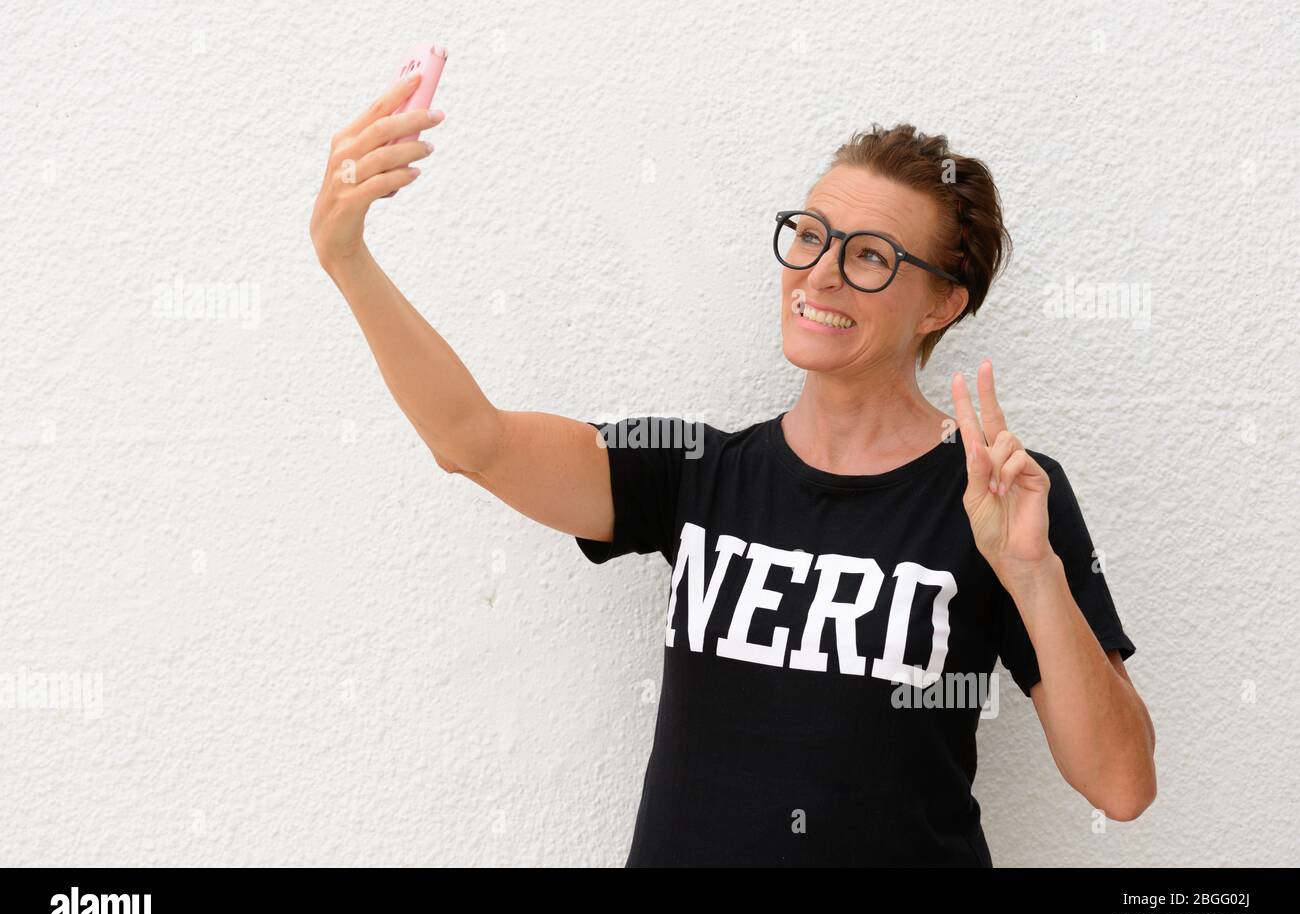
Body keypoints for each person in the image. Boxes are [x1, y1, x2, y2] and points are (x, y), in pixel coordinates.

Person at [310, 71, 1157, 866]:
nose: (819, 271)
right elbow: (473, 442)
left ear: (942, 302)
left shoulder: (1001, 495)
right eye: (812, 235)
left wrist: (1033, 576)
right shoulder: (693, 470)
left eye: (870, 256)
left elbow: (1120, 785)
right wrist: (348, 258)